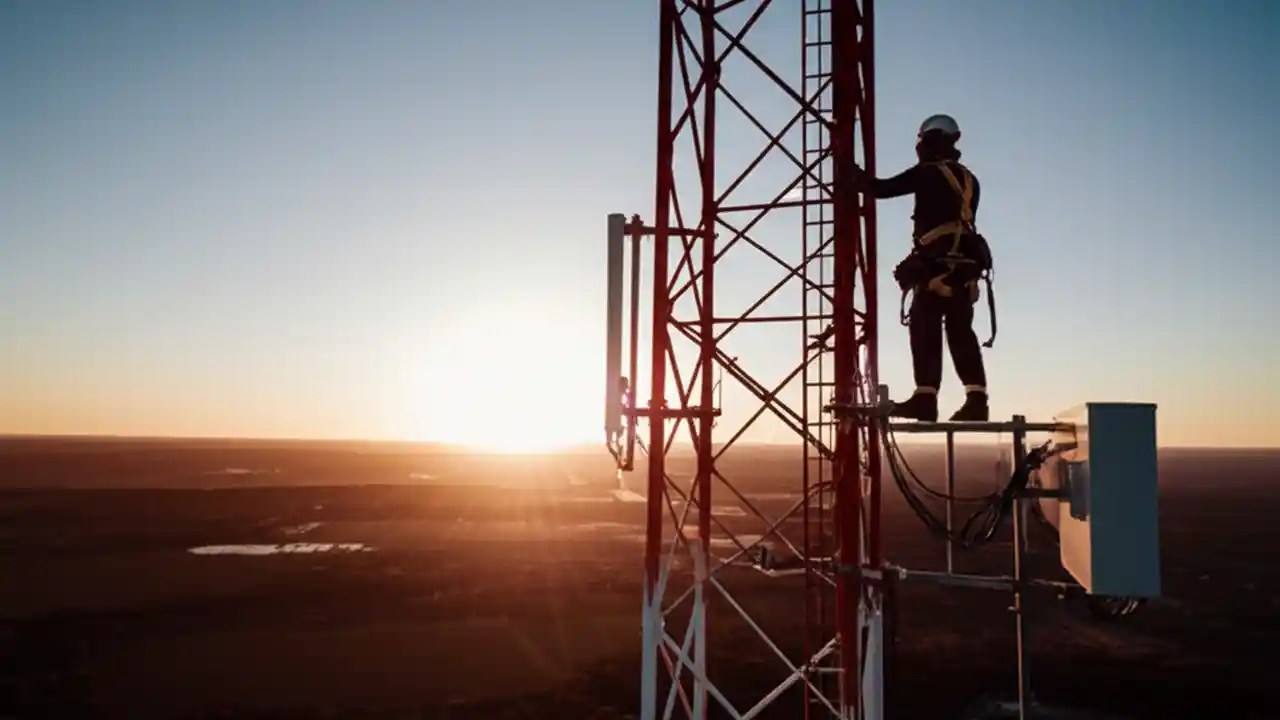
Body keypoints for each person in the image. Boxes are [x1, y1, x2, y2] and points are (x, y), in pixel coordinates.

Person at [851, 113, 992, 422]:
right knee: (959, 331)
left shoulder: (928, 173)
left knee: (924, 327)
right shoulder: (969, 179)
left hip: (936, 264)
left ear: (930, 141)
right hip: (963, 268)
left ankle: (925, 399)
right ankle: (976, 400)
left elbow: (882, 189)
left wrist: (853, 175)